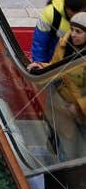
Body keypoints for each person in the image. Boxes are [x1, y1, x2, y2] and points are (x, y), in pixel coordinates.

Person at [34, 13, 86, 159]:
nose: (73, 35)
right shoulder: (65, 43)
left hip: (80, 112)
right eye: (72, 29)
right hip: (62, 106)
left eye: (79, 32)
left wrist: (79, 107)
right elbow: (56, 67)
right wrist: (41, 66)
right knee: (66, 146)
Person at [30, 0, 86, 66]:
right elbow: (39, 43)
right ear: (66, 8)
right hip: (54, 61)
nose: (73, 34)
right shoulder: (50, 14)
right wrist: (39, 65)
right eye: (71, 15)